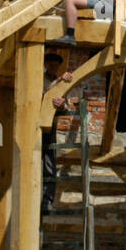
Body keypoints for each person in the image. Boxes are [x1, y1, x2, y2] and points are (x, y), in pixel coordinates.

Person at [41, 52, 75, 215]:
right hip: (33, 126)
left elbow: (67, 107)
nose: (53, 67)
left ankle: (47, 201)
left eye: (56, 65)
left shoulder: (62, 83)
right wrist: (59, 82)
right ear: (45, 64)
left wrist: (61, 105)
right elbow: (40, 95)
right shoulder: (40, 79)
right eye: (50, 64)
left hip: (50, 127)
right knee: (31, 161)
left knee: (49, 163)